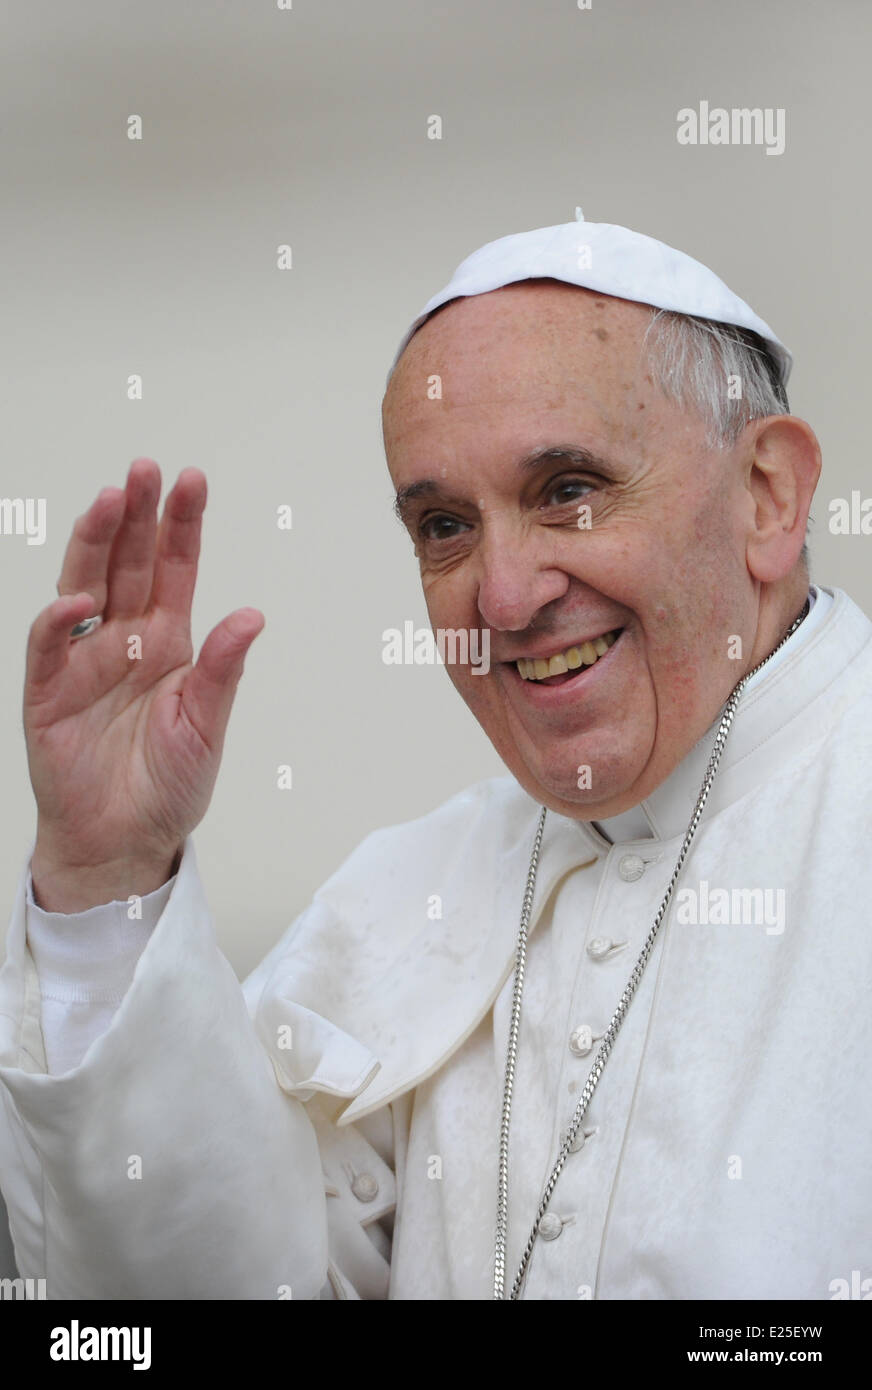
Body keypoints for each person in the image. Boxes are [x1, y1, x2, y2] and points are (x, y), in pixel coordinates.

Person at [0, 219, 869, 1301]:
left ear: (767, 495)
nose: (503, 598)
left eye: (567, 491)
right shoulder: (406, 891)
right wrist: (105, 878)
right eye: (445, 524)